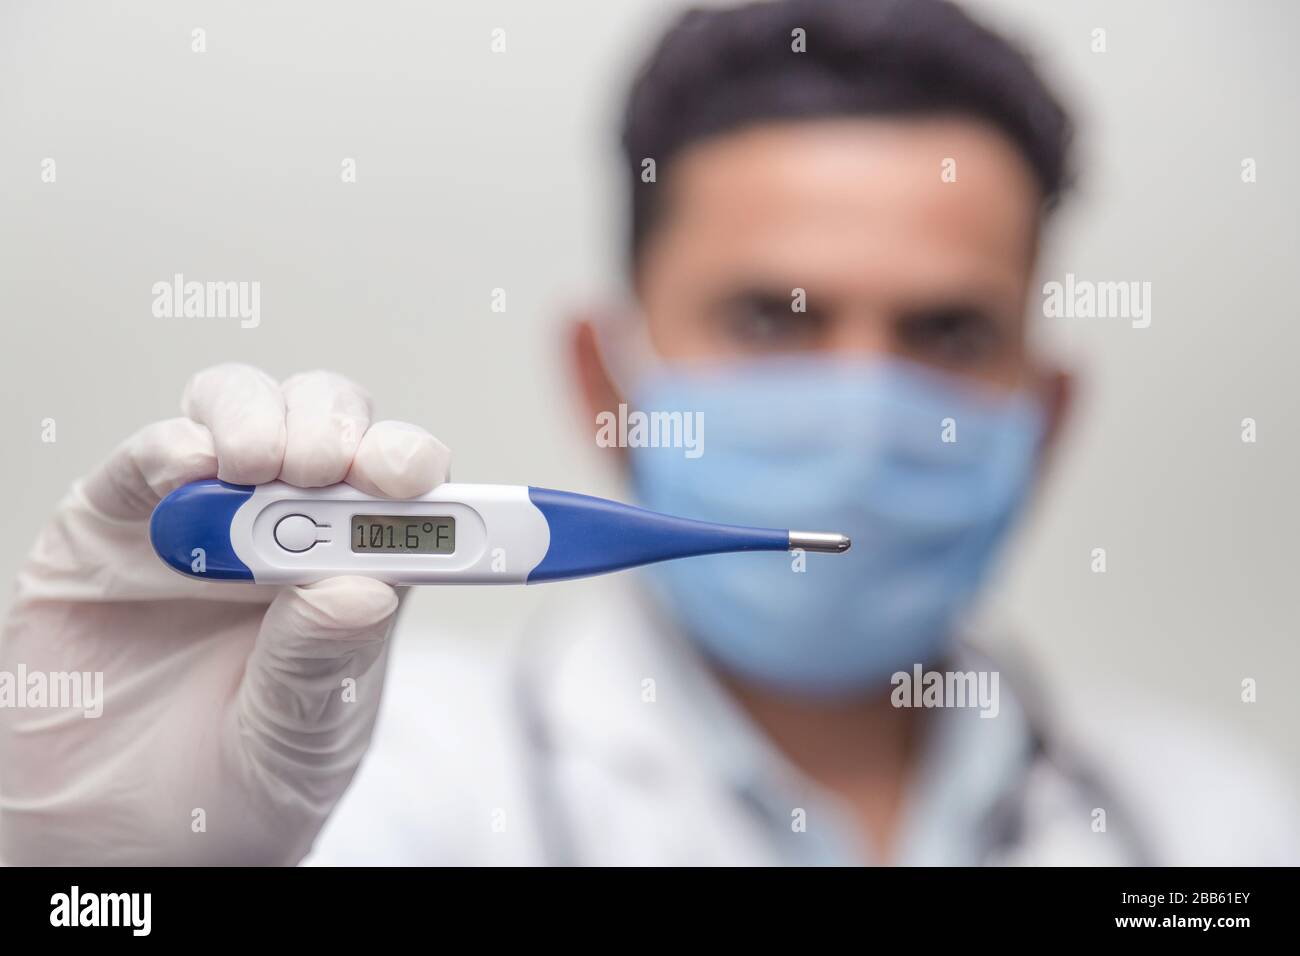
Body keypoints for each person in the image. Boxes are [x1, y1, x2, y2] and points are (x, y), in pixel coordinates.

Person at [1, 0, 1295, 866]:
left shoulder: (1221, 834)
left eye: (948, 335)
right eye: (774, 322)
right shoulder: (369, 799)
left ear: (1048, 415)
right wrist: (98, 884)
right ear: (603, 381)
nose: (861, 407)